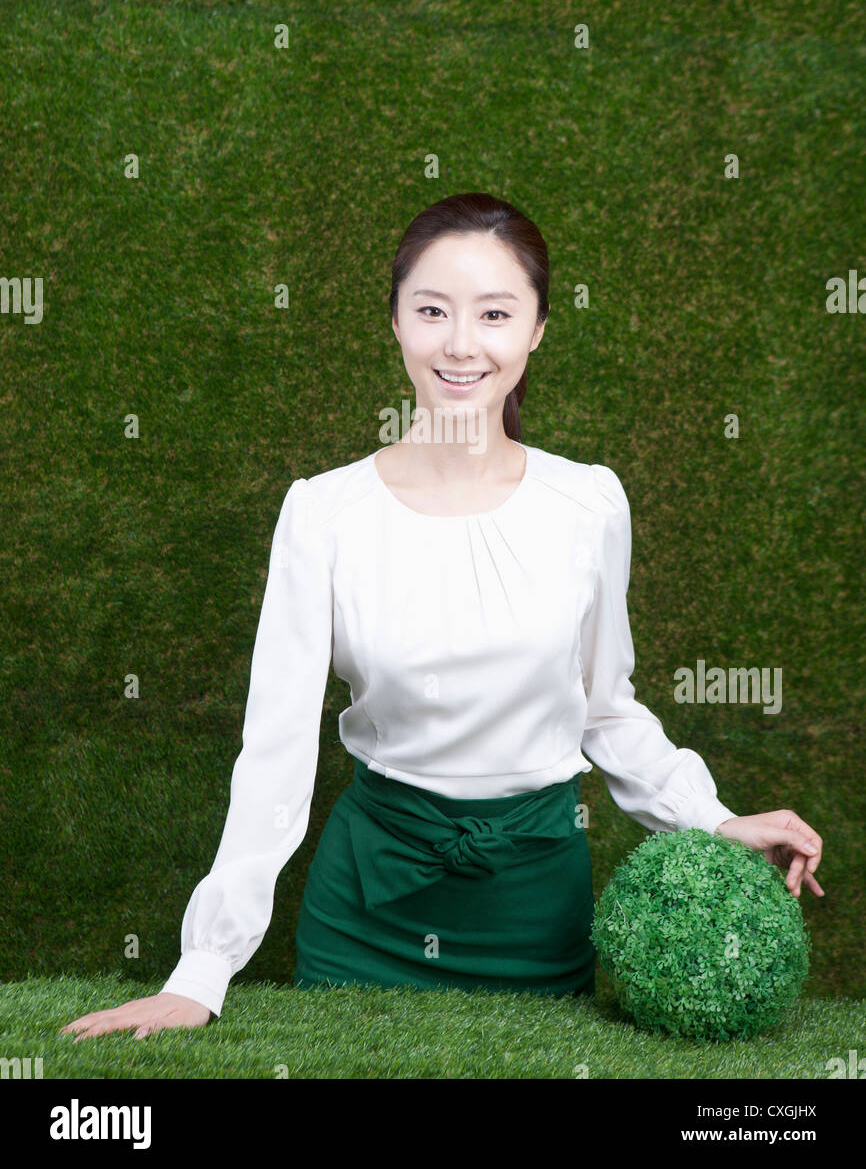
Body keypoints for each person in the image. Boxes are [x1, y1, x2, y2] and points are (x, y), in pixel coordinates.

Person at [60, 192, 824, 1041]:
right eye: (433, 310)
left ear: (536, 329)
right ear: (395, 321)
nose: (462, 343)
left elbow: (605, 707)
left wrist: (712, 818)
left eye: (495, 313)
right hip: (366, 907)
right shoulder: (322, 513)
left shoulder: (590, 503)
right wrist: (201, 970)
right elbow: (275, 752)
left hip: (536, 909)